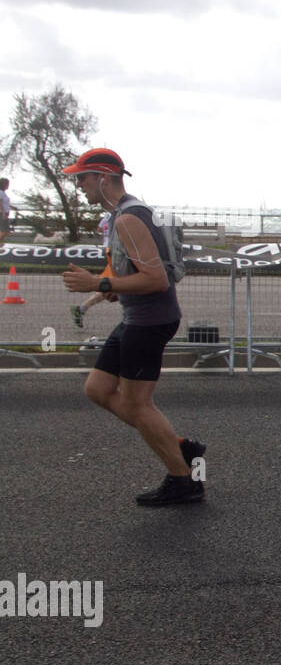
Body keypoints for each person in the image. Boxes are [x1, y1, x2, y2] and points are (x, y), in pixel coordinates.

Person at [59, 148, 206, 507]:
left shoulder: (127, 219)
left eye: (83, 178)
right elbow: (140, 273)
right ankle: (182, 448)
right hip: (135, 318)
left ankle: (183, 480)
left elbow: (156, 280)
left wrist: (99, 285)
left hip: (151, 321)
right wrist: (111, 288)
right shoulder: (124, 215)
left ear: (104, 177)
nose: (79, 186)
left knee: (138, 405)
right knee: (97, 388)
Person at [70, 212, 114, 328]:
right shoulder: (122, 212)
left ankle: (82, 308)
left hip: (107, 248)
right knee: (113, 285)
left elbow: (100, 229)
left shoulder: (108, 214)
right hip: (116, 251)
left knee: (111, 285)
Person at [0, 177, 15, 244]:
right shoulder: (0, 192)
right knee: (5, 230)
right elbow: (0, 203)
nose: (8, 185)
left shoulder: (3, 193)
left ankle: (1, 242)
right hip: (2, 213)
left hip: (5, 212)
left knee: (6, 231)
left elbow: (5, 203)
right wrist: (3, 213)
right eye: (7, 184)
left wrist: (12, 207)